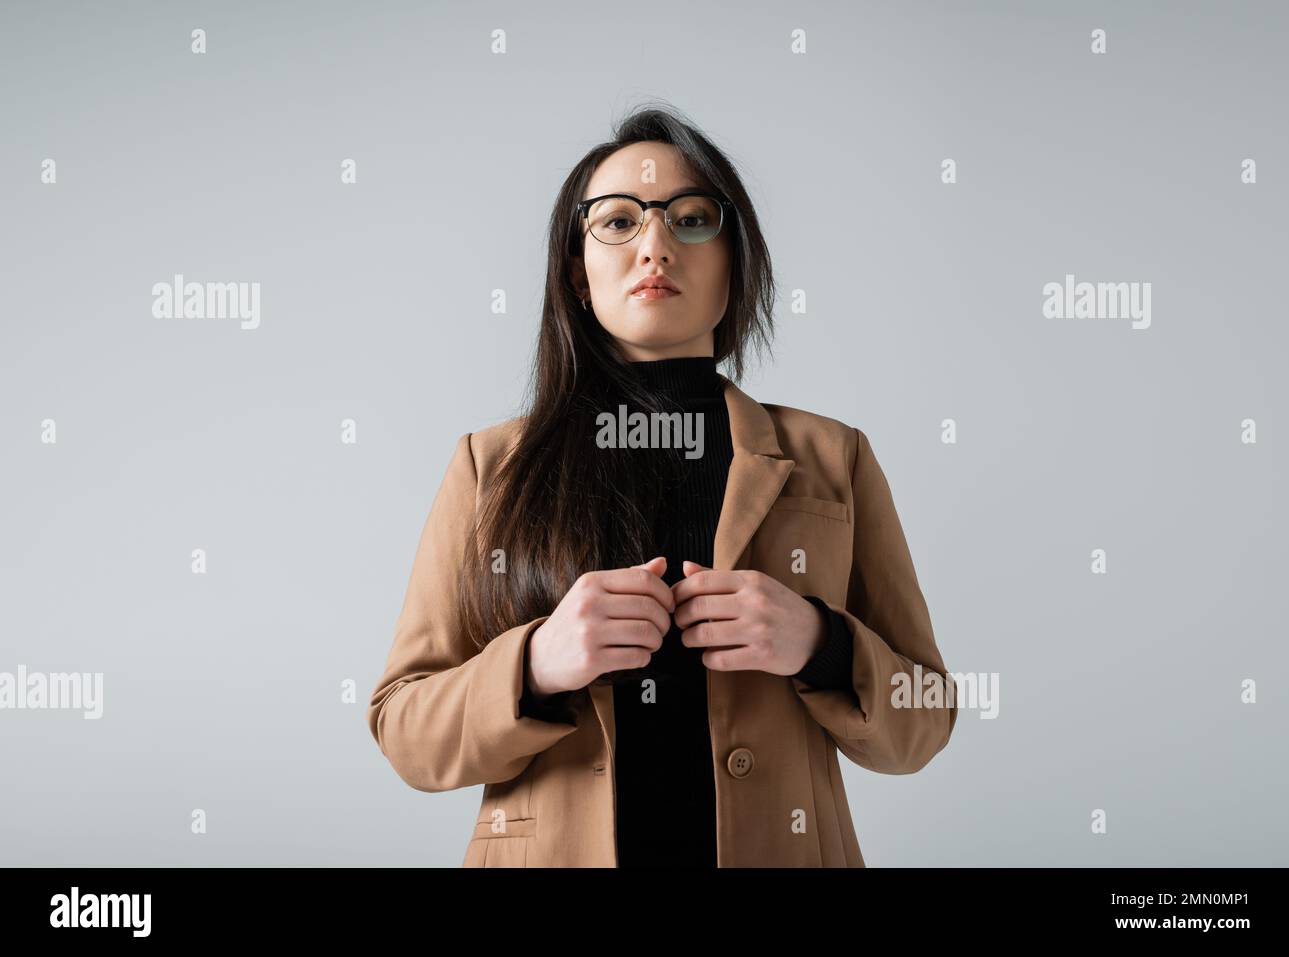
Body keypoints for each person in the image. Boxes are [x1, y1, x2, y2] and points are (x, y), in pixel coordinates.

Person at [367, 104, 957, 867]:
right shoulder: (490, 466)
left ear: (733, 262)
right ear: (578, 273)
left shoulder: (833, 455)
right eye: (617, 221)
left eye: (691, 218)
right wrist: (539, 662)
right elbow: (404, 730)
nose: (656, 244)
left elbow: (927, 715)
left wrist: (821, 642)